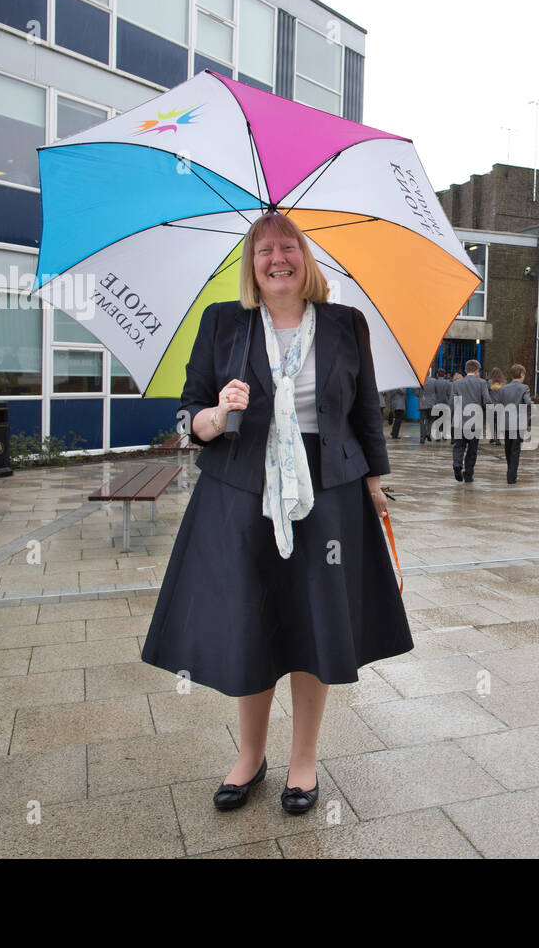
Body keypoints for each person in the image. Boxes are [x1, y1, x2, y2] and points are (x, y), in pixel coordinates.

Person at [140, 211, 412, 816]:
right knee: (252, 619)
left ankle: (303, 761)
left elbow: (366, 411)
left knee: (317, 623)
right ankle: (249, 756)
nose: (277, 257)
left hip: (331, 494)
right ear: (251, 263)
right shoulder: (224, 324)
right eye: (264, 249)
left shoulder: (346, 323)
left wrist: (375, 487)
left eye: (288, 246)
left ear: (305, 257)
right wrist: (216, 412)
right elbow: (189, 417)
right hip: (242, 490)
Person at [451, 359, 490, 482]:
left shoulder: (456, 384)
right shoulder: (482, 383)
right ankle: (468, 474)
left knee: (459, 446)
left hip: (459, 421)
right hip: (475, 422)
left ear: (465, 370)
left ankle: (457, 464)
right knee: (472, 450)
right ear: (477, 370)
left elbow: (451, 402)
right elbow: (487, 401)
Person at [493, 364, 532, 484]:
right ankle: (511, 476)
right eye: (524, 374)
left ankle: (510, 471)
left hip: (505, 423)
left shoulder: (503, 388)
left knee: (508, 448)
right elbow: (528, 402)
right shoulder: (524, 388)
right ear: (521, 374)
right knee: (515, 450)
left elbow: (497, 405)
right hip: (518, 424)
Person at [487, 367, 506, 445]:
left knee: (491, 422)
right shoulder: (503, 383)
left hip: (491, 405)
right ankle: (497, 439)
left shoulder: (489, 382)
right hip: (500, 406)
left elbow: (486, 394)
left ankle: (492, 437)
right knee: (499, 422)